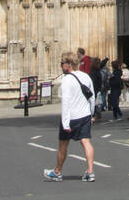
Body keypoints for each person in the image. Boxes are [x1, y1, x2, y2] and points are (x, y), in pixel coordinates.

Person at [43, 52, 95, 182]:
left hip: (71, 117)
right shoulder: (85, 76)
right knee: (86, 141)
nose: (60, 66)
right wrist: (91, 114)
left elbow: (66, 101)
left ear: (69, 65)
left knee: (63, 145)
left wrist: (65, 122)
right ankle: (90, 172)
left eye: (62, 63)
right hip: (85, 115)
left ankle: (57, 172)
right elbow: (92, 97)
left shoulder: (66, 79)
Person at [89, 57, 103, 121]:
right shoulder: (94, 71)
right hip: (95, 89)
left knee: (97, 103)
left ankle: (96, 114)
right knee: (95, 103)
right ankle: (94, 115)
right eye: (98, 63)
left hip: (97, 89)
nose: (99, 64)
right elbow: (94, 81)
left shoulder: (96, 70)